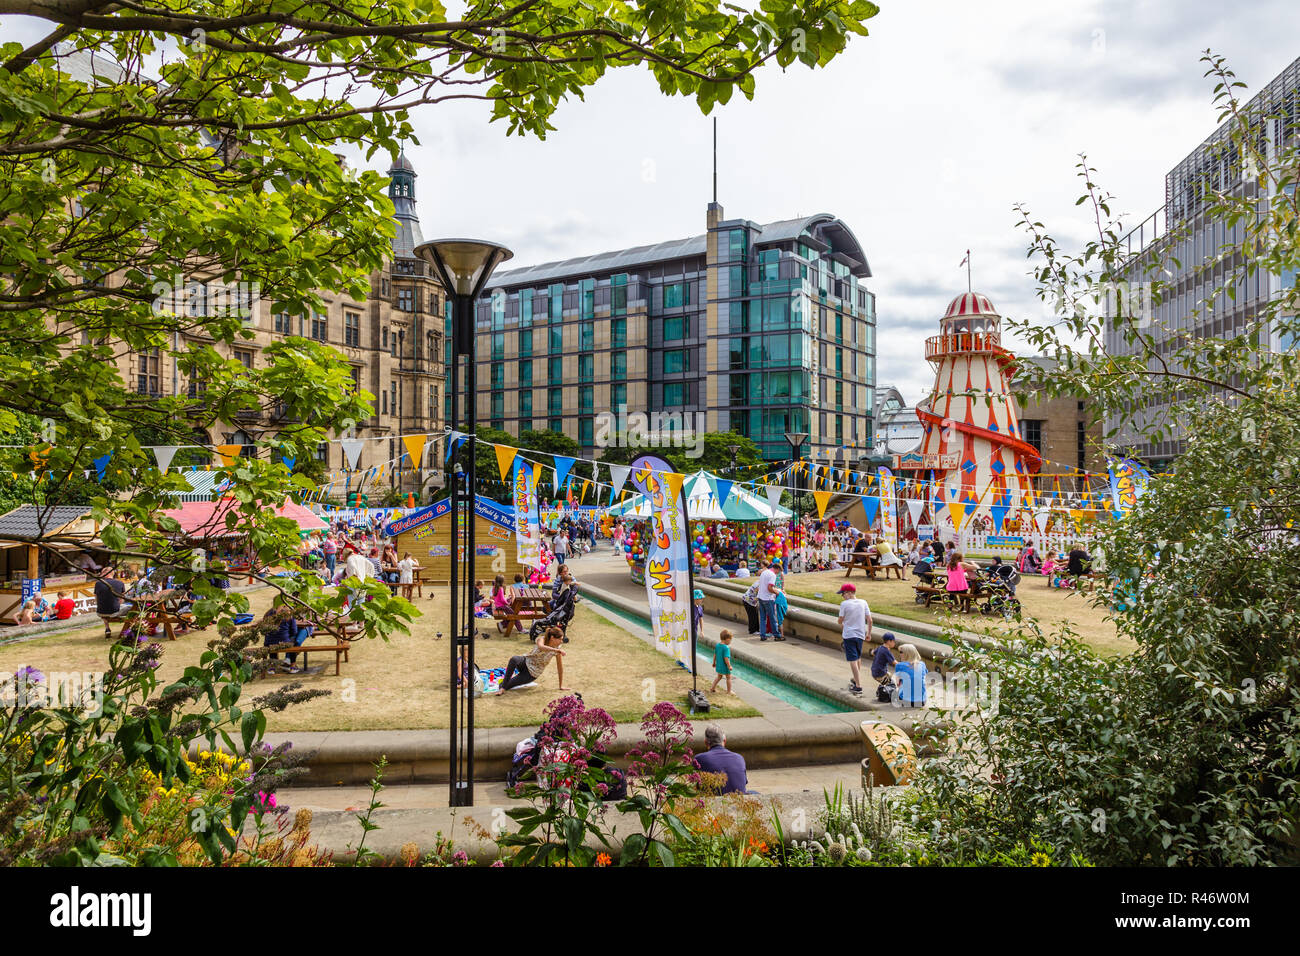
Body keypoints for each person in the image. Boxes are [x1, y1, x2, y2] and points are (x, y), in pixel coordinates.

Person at [497, 626, 567, 693]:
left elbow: (559, 667)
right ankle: (503, 688)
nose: (561, 641)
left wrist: (560, 685)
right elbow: (541, 647)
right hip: (525, 662)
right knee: (514, 659)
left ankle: (503, 685)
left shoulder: (557, 650)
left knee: (505, 684)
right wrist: (556, 650)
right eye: (560, 639)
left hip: (531, 674)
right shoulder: (542, 639)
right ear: (552, 638)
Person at [694, 724, 752, 795]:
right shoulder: (739, 758)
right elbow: (743, 783)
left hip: (713, 802)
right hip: (739, 801)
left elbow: (694, 786)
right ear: (724, 741)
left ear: (705, 742)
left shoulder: (699, 759)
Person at [836, 582, 872, 695]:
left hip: (849, 635)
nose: (842, 596)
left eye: (843, 594)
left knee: (852, 660)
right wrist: (869, 633)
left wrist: (840, 622)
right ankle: (855, 678)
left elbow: (840, 619)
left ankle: (858, 686)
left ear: (849, 593)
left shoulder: (844, 604)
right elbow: (870, 620)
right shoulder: (863, 602)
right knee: (858, 657)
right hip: (860, 634)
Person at [94, 566, 129, 639]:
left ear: (105, 573)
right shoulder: (120, 583)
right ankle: (129, 630)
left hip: (100, 612)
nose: (100, 574)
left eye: (101, 573)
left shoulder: (98, 583)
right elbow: (122, 599)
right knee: (132, 608)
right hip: (114, 611)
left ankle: (107, 628)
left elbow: (96, 599)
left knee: (103, 606)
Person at [756, 559, 784, 642]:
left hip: (761, 597)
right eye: (778, 572)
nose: (778, 574)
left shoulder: (764, 572)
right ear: (777, 569)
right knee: (772, 617)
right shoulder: (772, 575)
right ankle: (777, 635)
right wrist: (777, 592)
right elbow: (769, 588)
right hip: (768, 598)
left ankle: (763, 635)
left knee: (762, 617)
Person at [893, 643, 928, 708]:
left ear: (907, 653)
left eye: (901, 652)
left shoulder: (899, 665)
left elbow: (898, 683)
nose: (899, 654)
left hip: (906, 701)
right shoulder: (922, 664)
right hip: (922, 701)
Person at [870, 632, 899, 703]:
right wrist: (906, 666)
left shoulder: (880, 647)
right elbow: (895, 663)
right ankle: (883, 694)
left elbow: (872, 653)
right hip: (880, 674)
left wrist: (872, 652)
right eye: (893, 641)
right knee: (894, 684)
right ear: (889, 641)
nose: (894, 643)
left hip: (875, 672)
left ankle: (881, 690)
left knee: (890, 676)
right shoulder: (886, 651)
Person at [710, 630, 734, 695]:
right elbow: (726, 658)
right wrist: (729, 666)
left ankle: (712, 688)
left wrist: (714, 662)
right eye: (730, 640)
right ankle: (729, 691)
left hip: (719, 665)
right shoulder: (726, 648)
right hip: (725, 666)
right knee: (728, 678)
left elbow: (715, 654)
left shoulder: (717, 645)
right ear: (727, 639)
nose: (730, 642)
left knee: (719, 677)